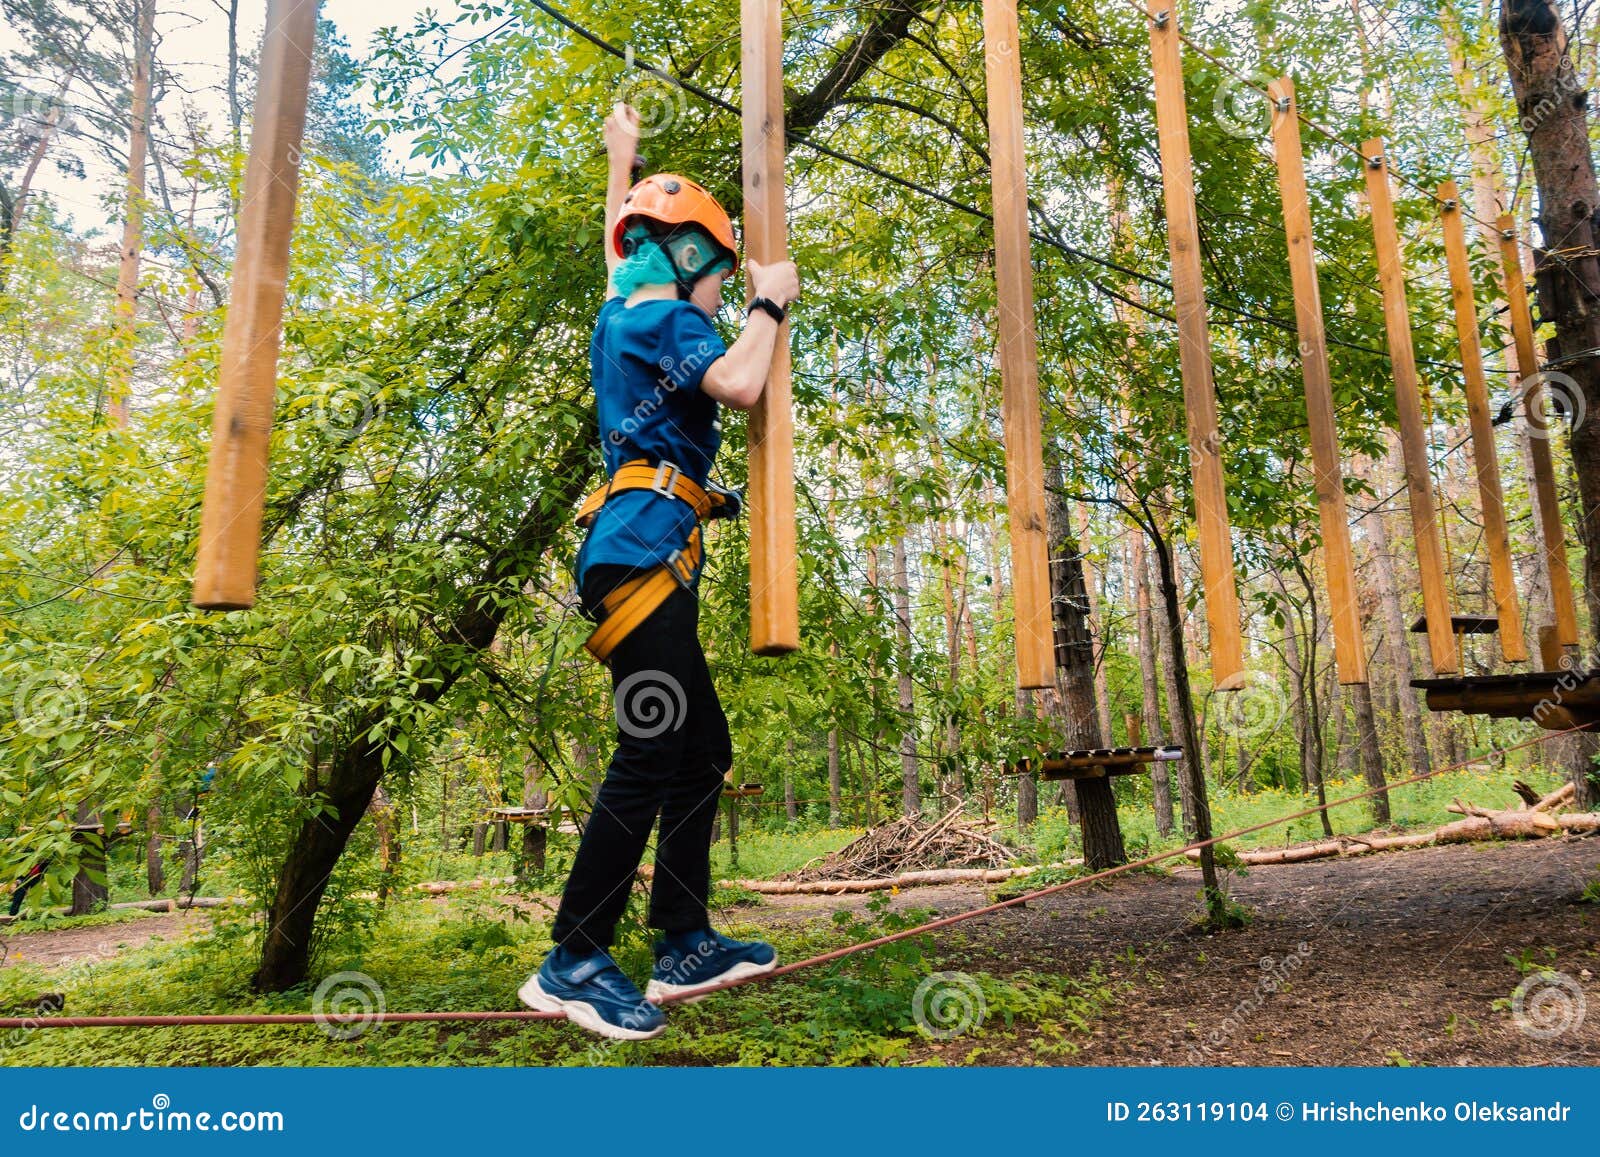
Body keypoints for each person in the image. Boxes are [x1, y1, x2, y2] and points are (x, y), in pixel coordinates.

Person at [517, 103, 801, 1041]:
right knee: (651, 748)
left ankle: (683, 941)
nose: (719, 294)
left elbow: (621, 249)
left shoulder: (621, 311)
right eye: (716, 276)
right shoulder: (673, 319)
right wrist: (770, 302)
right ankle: (574, 955)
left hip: (638, 553)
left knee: (701, 747)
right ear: (684, 264)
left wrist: (624, 161)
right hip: (640, 553)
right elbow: (741, 383)